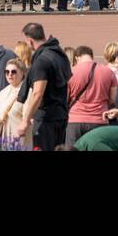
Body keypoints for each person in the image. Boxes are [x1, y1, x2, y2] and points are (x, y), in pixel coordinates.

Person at [16, 22, 72, 151]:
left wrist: (25, 121)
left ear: (30, 41)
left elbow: (37, 93)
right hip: (61, 115)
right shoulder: (59, 54)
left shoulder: (41, 60)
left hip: (46, 118)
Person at [64, 46, 117, 146]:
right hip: (100, 119)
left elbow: (65, 99)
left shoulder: (70, 72)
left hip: (75, 120)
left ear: (77, 57)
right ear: (91, 56)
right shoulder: (108, 72)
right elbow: (112, 99)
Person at [0, 58, 30, 146]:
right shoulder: (4, 92)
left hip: (17, 141)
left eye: (14, 72)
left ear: (22, 73)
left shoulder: (27, 92)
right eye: (7, 72)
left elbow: (28, 119)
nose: (10, 74)